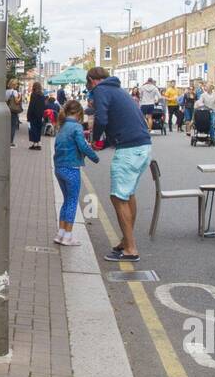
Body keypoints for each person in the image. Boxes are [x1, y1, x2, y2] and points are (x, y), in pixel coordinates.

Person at [86, 67, 152, 263]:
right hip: (143, 146)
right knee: (128, 194)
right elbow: (121, 123)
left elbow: (102, 118)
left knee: (118, 197)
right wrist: (105, 143)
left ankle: (131, 249)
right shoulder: (118, 91)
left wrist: (95, 139)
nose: (88, 88)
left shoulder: (100, 91)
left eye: (87, 84)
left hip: (129, 150)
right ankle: (125, 241)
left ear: (92, 80)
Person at [53, 99, 99, 246]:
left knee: (66, 201)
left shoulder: (62, 126)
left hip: (59, 167)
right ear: (79, 113)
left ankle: (60, 233)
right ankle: (68, 236)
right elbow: (82, 146)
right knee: (72, 201)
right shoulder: (77, 127)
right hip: (72, 168)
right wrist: (94, 157)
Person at [27, 82, 47, 150]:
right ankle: (38, 143)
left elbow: (31, 106)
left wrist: (28, 115)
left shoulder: (33, 95)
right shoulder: (43, 96)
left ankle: (35, 144)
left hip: (33, 115)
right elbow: (44, 106)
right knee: (38, 129)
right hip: (40, 116)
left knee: (33, 129)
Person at [5, 80, 23, 148]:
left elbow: (6, 101)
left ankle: (6, 140)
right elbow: (17, 101)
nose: (17, 85)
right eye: (16, 84)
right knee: (13, 126)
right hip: (13, 111)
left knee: (7, 126)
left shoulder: (6, 91)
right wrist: (20, 96)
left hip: (7, 110)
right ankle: (11, 142)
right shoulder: (14, 92)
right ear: (14, 85)